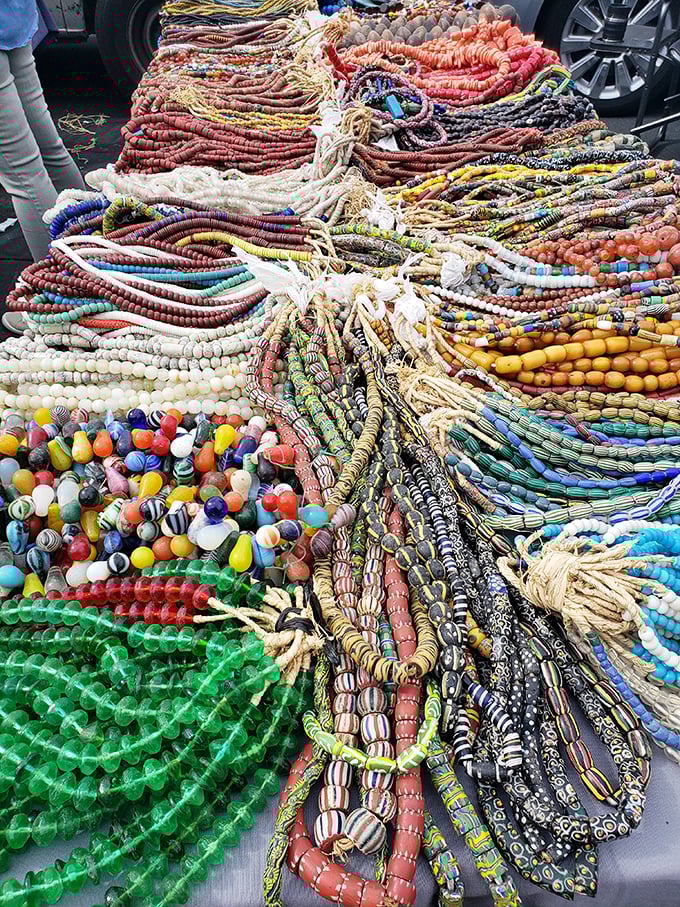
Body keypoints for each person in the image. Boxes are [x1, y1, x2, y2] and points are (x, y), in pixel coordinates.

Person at [0, 0, 86, 260]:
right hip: (13, 15)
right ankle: (95, 247)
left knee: (24, 176)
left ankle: (64, 281)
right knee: (50, 151)